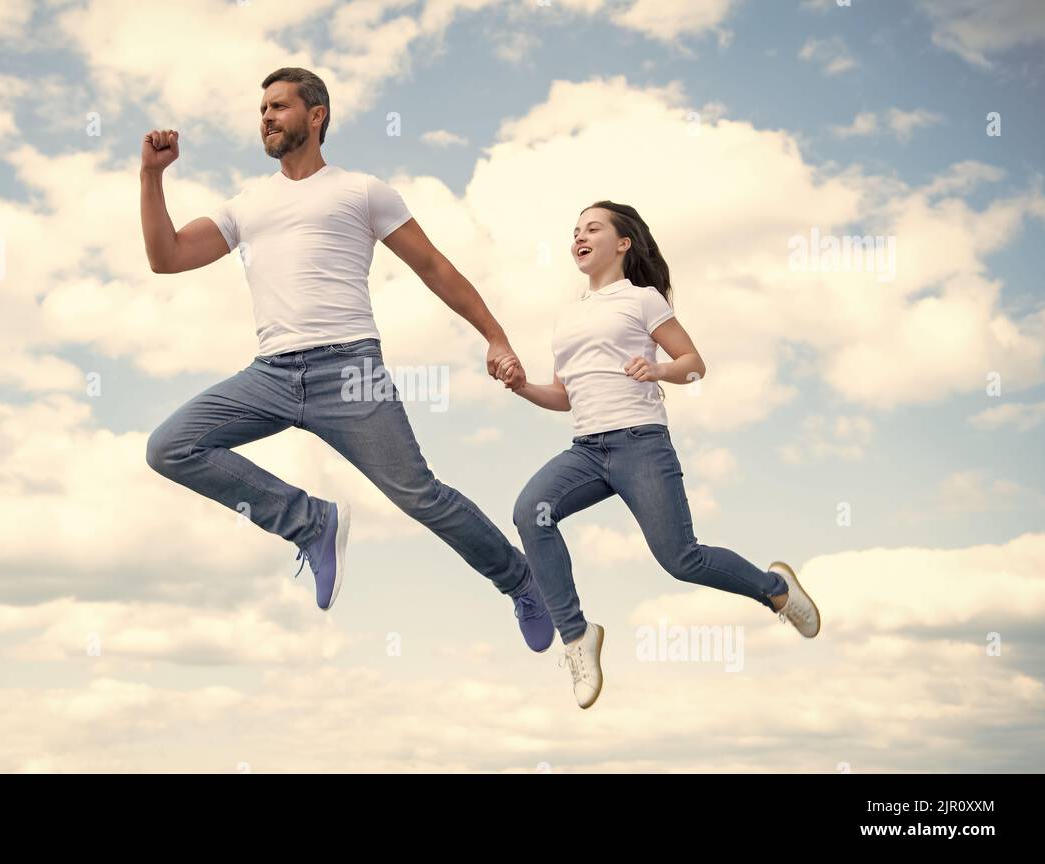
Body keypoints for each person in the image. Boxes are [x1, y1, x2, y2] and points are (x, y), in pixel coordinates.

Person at [140, 67, 554, 651]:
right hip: (272, 373)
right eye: (262, 109)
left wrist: (496, 336)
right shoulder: (246, 205)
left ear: (316, 116)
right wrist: (152, 177)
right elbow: (167, 256)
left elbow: (435, 268)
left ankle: (521, 582)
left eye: (279, 106)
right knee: (170, 447)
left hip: (350, 371)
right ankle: (310, 522)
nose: (266, 117)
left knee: (419, 495)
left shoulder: (362, 191)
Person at [497, 201, 820, 707]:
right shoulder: (566, 317)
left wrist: (661, 371)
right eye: (575, 230)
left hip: (641, 445)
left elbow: (695, 365)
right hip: (586, 452)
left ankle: (774, 588)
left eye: (593, 228)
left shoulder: (642, 300)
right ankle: (577, 636)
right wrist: (521, 388)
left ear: (622, 243)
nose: (579, 236)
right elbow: (564, 397)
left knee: (681, 559)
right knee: (530, 512)